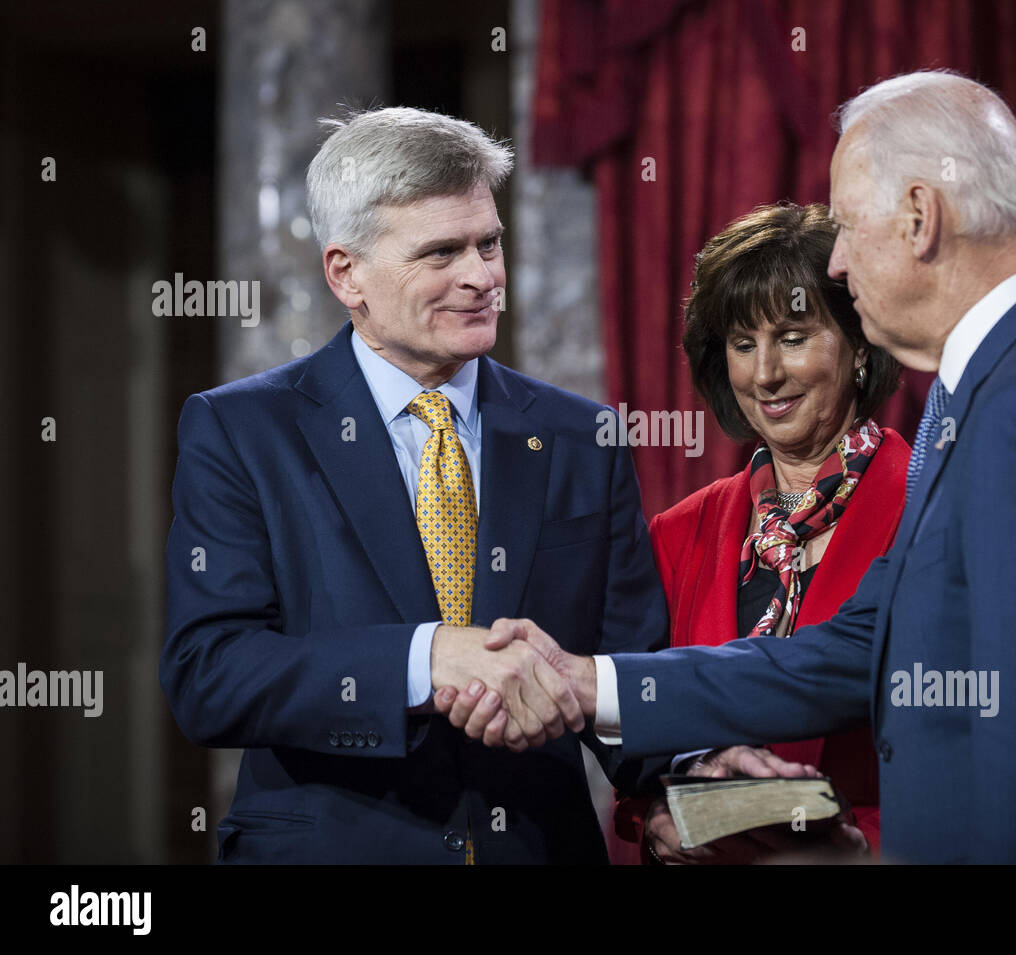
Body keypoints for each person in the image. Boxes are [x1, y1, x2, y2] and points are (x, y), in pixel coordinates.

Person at [436, 71, 1016, 865]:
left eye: (851, 228)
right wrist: (590, 684)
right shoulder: (1015, 379)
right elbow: (859, 647)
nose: (838, 264)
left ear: (922, 217)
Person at [159, 106, 667, 864]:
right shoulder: (242, 430)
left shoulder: (580, 436)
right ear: (347, 273)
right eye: (441, 252)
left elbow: (631, 671)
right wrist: (424, 661)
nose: (481, 276)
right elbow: (210, 673)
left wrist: (687, 785)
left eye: (488, 243)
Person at [614, 202, 907, 864]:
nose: (765, 373)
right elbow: (639, 747)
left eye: (794, 336)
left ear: (860, 343)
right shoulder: (677, 533)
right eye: (744, 344)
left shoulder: (928, 507)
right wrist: (655, 817)